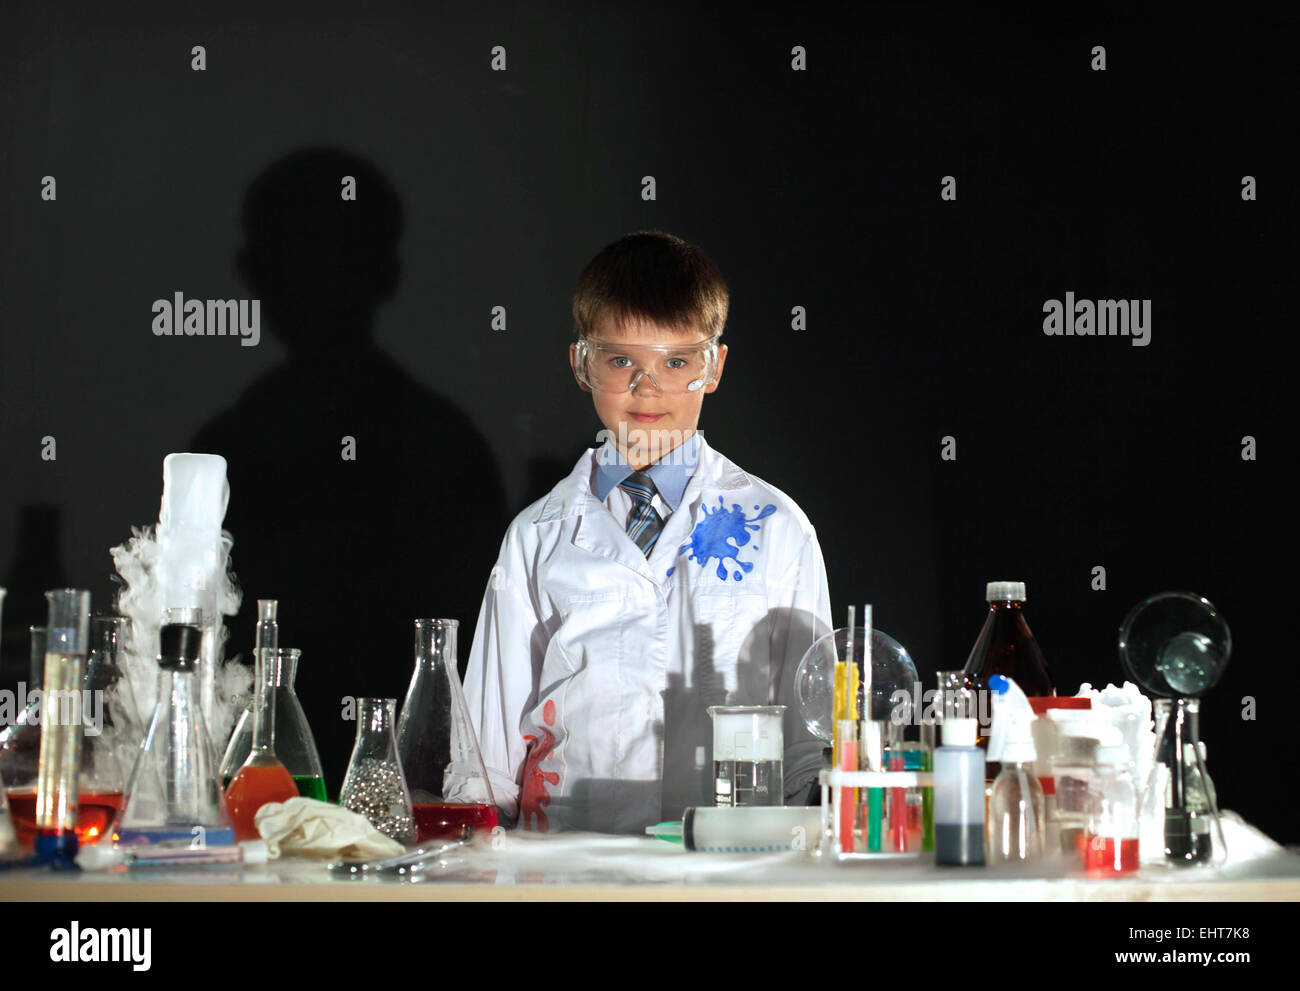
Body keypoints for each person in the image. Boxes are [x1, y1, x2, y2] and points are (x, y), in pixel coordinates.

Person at [458, 230, 832, 833]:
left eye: (676, 362)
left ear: (714, 368)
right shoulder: (538, 537)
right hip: (567, 870)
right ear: (583, 364)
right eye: (621, 360)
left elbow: (806, 746)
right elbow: (486, 756)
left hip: (730, 870)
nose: (647, 388)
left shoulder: (778, 531)